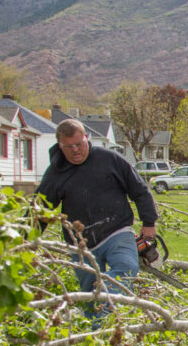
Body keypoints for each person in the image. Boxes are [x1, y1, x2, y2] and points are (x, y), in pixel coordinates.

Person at [36, 119, 159, 313]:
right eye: (68, 147)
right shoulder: (55, 174)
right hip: (80, 243)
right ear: (60, 145)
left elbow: (140, 190)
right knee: (90, 293)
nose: (75, 150)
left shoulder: (110, 160)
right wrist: (24, 241)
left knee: (125, 269)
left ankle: (105, 308)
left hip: (117, 230)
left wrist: (149, 222)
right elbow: (40, 210)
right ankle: (98, 335)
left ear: (87, 138)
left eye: (79, 144)